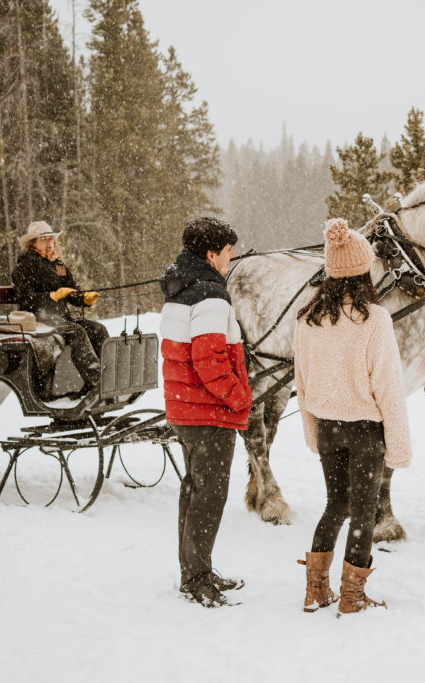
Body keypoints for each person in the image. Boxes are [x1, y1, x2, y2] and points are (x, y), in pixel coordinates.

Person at [294, 217, 412, 615]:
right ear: (364, 270)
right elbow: (389, 388)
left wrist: (313, 433)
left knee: (335, 506)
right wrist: (398, 446)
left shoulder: (308, 319)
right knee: (363, 512)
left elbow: (303, 384)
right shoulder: (374, 320)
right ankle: (352, 595)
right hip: (364, 431)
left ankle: (315, 590)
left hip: (328, 429)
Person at [159, 216, 252, 608]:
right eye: (228, 250)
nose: (232, 256)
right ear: (211, 254)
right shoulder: (211, 294)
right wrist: (238, 398)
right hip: (207, 411)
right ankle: (198, 579)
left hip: (185, 409)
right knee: (209, 496)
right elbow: (209, 359)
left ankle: (194, 570)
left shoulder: (182, 289)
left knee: (194, 491)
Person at [11, 221, 108, 397]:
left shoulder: (58, 265)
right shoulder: (24, 267)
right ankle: (96, 382)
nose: (49, 244)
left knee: (97, 329)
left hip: (61, 319)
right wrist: (51, 296)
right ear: (33, 243)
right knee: (77, 332)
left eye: (51, 240)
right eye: (44, 240)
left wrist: (84, 298)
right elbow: (25, 299)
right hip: (38, 320)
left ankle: (107, 378)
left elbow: (71, 290)